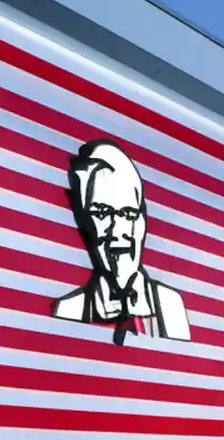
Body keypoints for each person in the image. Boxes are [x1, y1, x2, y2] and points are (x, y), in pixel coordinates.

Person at [52, 139, 191, 345]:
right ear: (84, 222)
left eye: (128, 213)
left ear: (143, 222)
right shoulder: (70, 309)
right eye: (102, 213)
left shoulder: (169, 307)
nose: (118, 231)